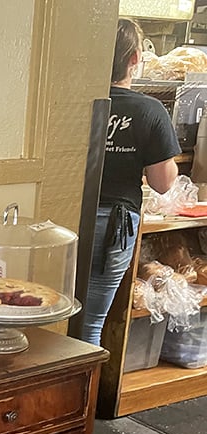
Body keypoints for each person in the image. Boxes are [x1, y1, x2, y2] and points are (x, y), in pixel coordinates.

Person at [80, 18, 180, 346]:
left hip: (68, 216)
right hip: (114, 224)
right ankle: (86, 380)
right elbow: (162, 183)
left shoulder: (76, 103)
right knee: (92, 322)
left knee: (57, 311)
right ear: (135, 58)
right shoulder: (150, 111)